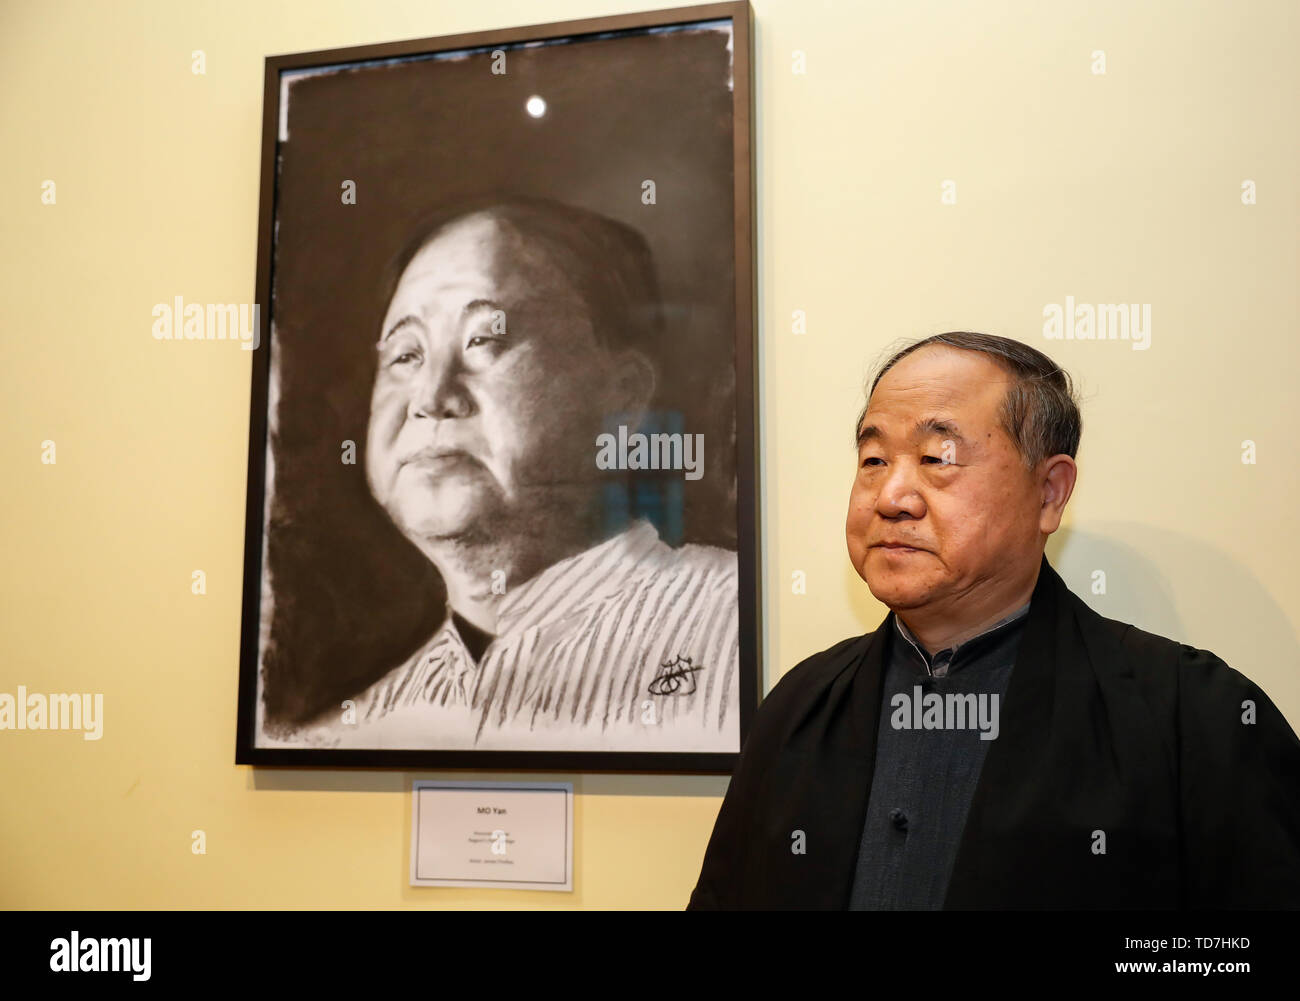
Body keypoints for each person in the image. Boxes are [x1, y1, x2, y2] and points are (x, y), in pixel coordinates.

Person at [688, 331, 1300, 908]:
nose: (891, 497)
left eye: (937, 456)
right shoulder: (800, 705)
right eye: (873, 459)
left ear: (1049, 493)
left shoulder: (1198, 716)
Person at [300, 197, 739, 752]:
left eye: (484, 339)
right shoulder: (346, 737)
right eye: (406, 356)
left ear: (623, 395)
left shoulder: (738, 632)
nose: (431, 399)